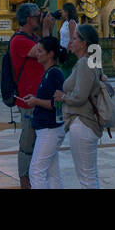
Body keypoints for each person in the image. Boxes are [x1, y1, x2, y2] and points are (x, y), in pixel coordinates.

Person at [55, 22, 104, 189]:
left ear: (83, 44)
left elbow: (80, 97)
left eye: (74, 38)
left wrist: (63, 97)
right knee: (89, 175)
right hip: (86, 123)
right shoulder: (91, 61)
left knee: (86, 178)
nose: (71, 42)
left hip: (83, 122)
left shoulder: (85, 63)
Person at [21, 35, 65, 189]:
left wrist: (36, 101)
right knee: (52, 173)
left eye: (40, 51)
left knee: (36, 171)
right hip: (46, 127)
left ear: (50, 54)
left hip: (50, 128)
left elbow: (57, 103)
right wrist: (35, 99)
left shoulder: (54, 74)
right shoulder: (48, 73)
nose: (37, 54)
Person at [8, 2, 44, 189]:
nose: (41, 19)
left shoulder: (34, 37)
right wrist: (47, 30)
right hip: (28, 100)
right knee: (28, 142)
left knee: (40, 143)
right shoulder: (20, 40)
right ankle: (25, 180)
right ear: (29, 19)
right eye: (38, 16)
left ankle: (35, 178)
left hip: (39, 100)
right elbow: (43, 53)